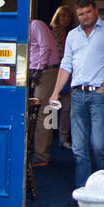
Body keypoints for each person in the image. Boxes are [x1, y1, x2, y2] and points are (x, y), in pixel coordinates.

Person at [48, 0, 104, 193]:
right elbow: (66, 64)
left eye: (88, 12)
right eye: (81, 14)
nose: (85, 17)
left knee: (99, 145)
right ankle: (83, 189)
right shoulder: (73, 35)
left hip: (99, 94)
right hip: (77, 93)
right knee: (79, 148)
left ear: (96, 10)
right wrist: (55, 92)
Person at [28, 14, 62, 167]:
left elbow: (46, 46)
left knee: (45, 112)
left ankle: (41, 155)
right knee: (47, 111)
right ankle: (43, 151)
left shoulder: (36, 24)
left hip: (46, 71)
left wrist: (39, 68)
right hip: (39, 71)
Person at [50, 5, 76, 148]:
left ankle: (63, 137)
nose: (65, 19)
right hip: (54, 70)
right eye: (62, 16)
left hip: (70, 72)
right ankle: (48, 136)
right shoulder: (52, 32)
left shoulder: (74, 33)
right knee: (51, 107)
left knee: (67, 107)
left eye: (68, 16)